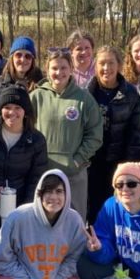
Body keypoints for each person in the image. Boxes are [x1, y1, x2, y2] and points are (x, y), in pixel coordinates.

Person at [30, 50, 103, 220]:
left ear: (71, 68)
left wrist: (78, 159)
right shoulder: (36, 97)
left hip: (74, 172)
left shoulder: (84, 99)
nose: (59, 73)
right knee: (43, 218)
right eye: (54, 68)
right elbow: (25, 130)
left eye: (64, 68)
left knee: (74, 219)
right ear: (47, 70)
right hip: (43, 170)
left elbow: (95, 134)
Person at [0, 84, 48, 242]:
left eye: (17, 108)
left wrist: (26, 207)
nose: (12, 112)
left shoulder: (36, 139)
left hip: (21, 205)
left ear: (25, 111)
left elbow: (36, 178)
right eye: (7, 107)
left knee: (16, 246)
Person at [86, 46, 140, 223]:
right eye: (102, 63)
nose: (107, 68)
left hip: (119, 164)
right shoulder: (86, 94)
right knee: (92, 211)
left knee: (118, 211)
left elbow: (136, 136)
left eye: (111, 63)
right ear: (96, 66)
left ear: (119, 65)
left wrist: (128, 169)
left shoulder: (130, 94)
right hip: (91, 164)